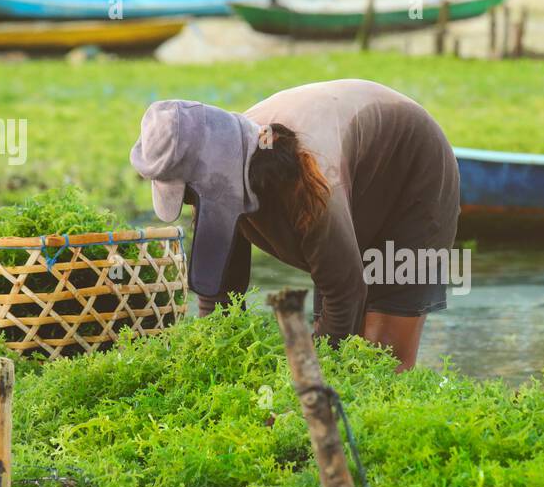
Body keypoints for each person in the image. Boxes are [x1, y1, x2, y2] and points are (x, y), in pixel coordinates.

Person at [130, 79, 460, 370]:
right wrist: (218, 360)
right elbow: (218, 295)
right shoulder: (215, 173)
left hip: (414, 172)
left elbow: (344, 292)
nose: (189, 202)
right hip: (353, 177)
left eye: (187, 193)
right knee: (335, 333)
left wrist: (303, 381)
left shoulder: (314, 178)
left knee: (380, 360)